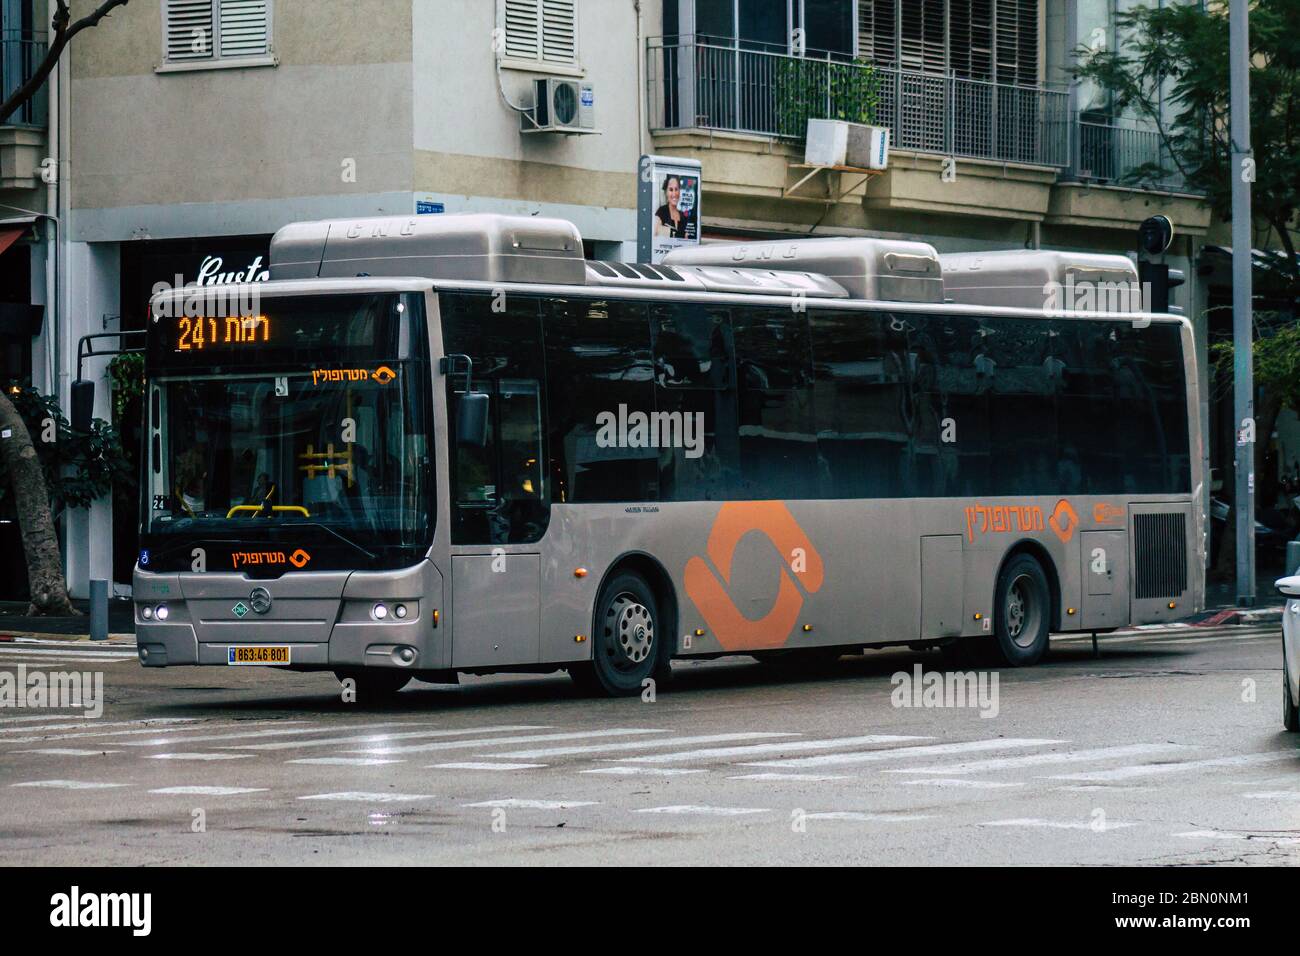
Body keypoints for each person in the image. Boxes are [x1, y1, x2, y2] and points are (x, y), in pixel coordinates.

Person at [654, 175, 696, 239]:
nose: (674, 194)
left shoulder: (683, 216)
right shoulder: (661, 211)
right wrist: (677, 234)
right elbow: (655, 231)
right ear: (666, 192)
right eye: (671, 190)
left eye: (676, 189)